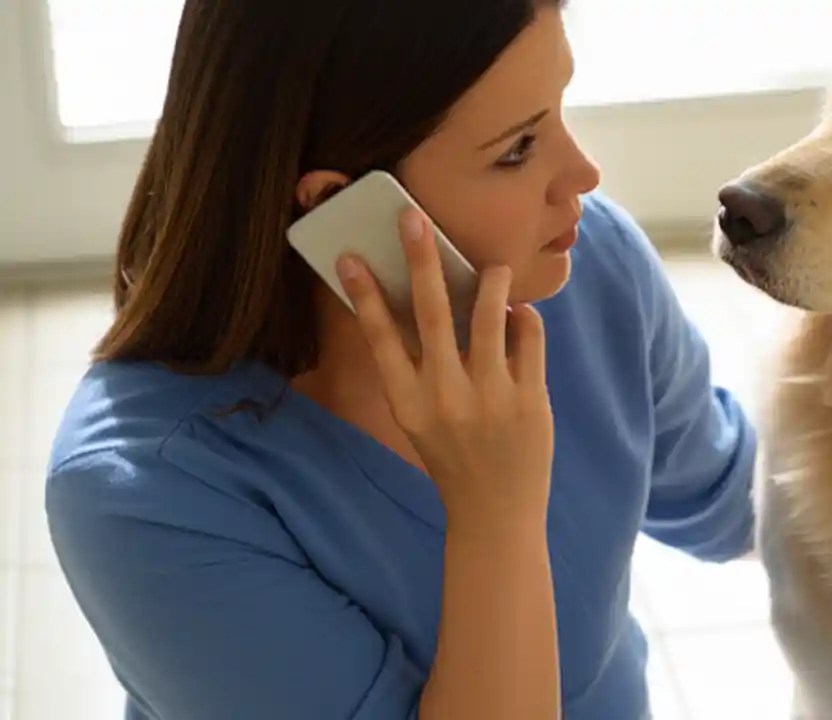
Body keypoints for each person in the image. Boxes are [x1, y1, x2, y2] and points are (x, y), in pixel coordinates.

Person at [44, 1, 757, 719]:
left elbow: (737, 505)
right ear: (338, 208)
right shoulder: (143, 497)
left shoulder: (588, 266)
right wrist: (496, 515)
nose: (584, 175)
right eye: (517, 149)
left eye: (558, 110)